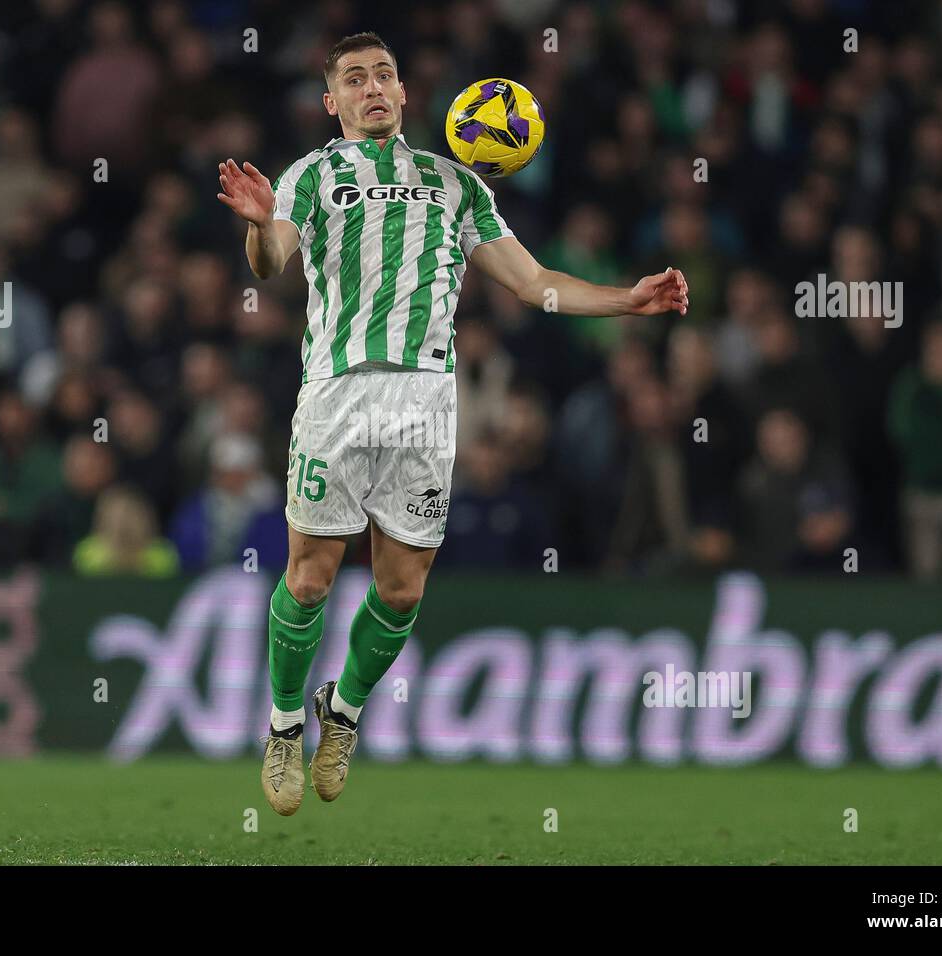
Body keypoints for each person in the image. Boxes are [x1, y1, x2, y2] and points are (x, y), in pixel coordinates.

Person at [216, 31, 688, 815]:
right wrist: (262, 226)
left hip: (427, 404)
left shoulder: (454, 184)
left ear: (405, 94)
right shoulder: (311, 176)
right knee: (309, 577)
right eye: (355, 78)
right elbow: (270, 264)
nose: (373, 87)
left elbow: (532, 281)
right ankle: (284, 723)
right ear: (330, 101)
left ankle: (345, 712)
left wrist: (624, 300)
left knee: (400, 593)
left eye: (386, 75)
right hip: (336, 395)